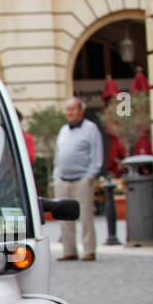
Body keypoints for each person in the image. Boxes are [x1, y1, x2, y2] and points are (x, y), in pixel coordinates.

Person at [52, 97, 103, 261]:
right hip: (62, 179)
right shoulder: (63, 130)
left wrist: (91, 175)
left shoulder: (91, 128)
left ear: (81, 111)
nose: (70, 113)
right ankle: (69, 250)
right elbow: (58, 154)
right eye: (68, 110)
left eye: (73, 109)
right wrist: (56, 174)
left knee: (86, 216)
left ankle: (89, 250)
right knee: (64, 218)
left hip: (82, 179)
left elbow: (97, 152)